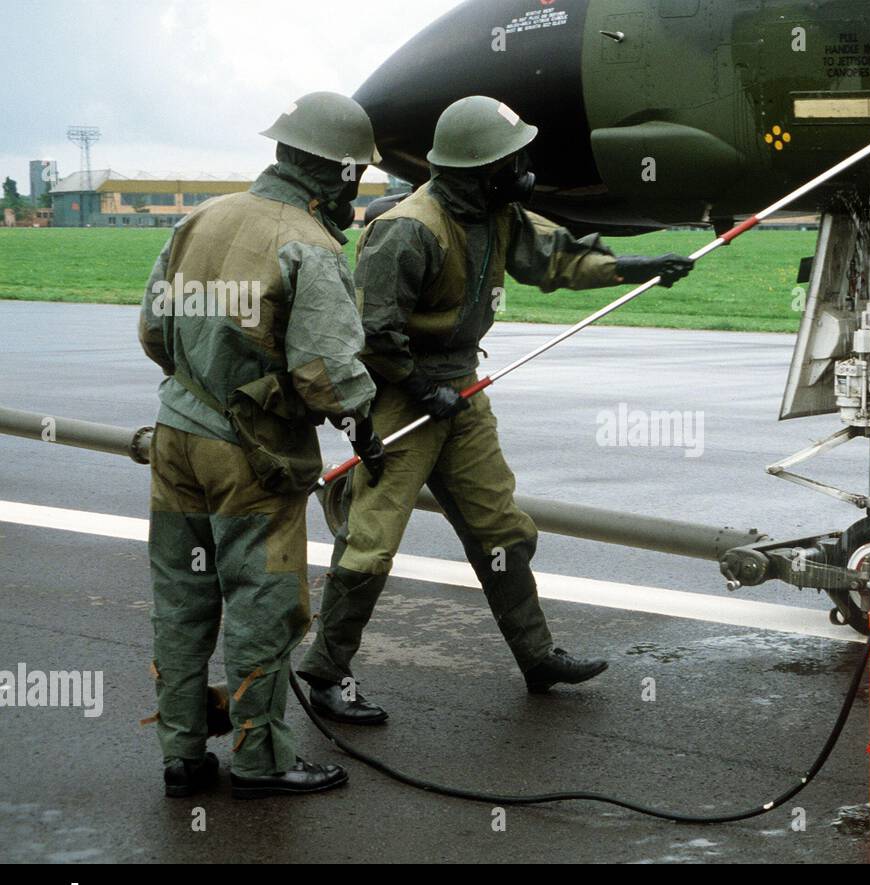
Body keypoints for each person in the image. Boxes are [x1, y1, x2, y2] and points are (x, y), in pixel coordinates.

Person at [297, 95, 694, 723]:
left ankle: (537, 657)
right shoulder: (408, 228)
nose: (525, 168)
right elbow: (371, 333)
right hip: (403, 398)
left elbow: (557, 258)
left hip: (463, 392)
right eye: (514, 159)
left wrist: (636, 266)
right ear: (479, 168)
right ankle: (325, 672)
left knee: (501, 531)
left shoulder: (498, 211)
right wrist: (422, 389)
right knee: (370, 543)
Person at [138, 91, 386, 798]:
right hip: (250, 457)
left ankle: (184, 754)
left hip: (176, 438)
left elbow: (155, 333)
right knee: (262, 605)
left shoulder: (199, 219)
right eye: (355, 176)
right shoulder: (308, 245)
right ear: (339, 175)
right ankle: (261, 759)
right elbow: (325, 370)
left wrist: (202, 383)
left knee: (182, 600)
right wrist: (362, 422)